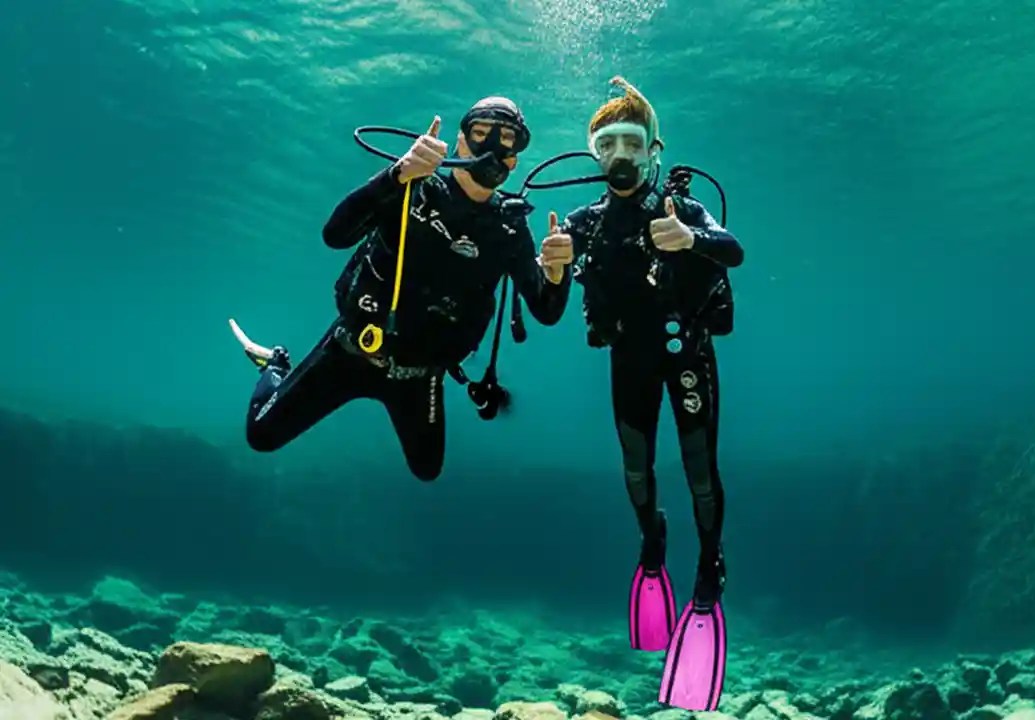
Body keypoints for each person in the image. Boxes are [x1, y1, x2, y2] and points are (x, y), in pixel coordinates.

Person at [228, 97, 574, 481]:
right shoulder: (415, 189)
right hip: (352, 349)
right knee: (260, 435)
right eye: (480, 134)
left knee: (427, 469)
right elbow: (335, 234)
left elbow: (546, 310)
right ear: (458, 143)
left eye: (508, 139)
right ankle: (277, 364)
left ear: (515, 160)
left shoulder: (509, 229)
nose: (493, 147)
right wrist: (396, 175)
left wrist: (560, 273)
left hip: (420, 374)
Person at [543, 77, 743, 711]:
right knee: (636, 469)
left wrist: (693, 240)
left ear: (655, 149)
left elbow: (733, 250)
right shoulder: (580, 224)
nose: (620, 154)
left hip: (686, 354)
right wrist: (549, 271)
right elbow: (548, 309)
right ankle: (651, 540)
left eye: (633, 140)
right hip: (628, 358)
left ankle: (708, 567)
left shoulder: (682, 207)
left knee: (699, 473)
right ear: (593, 155)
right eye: (607, 143)